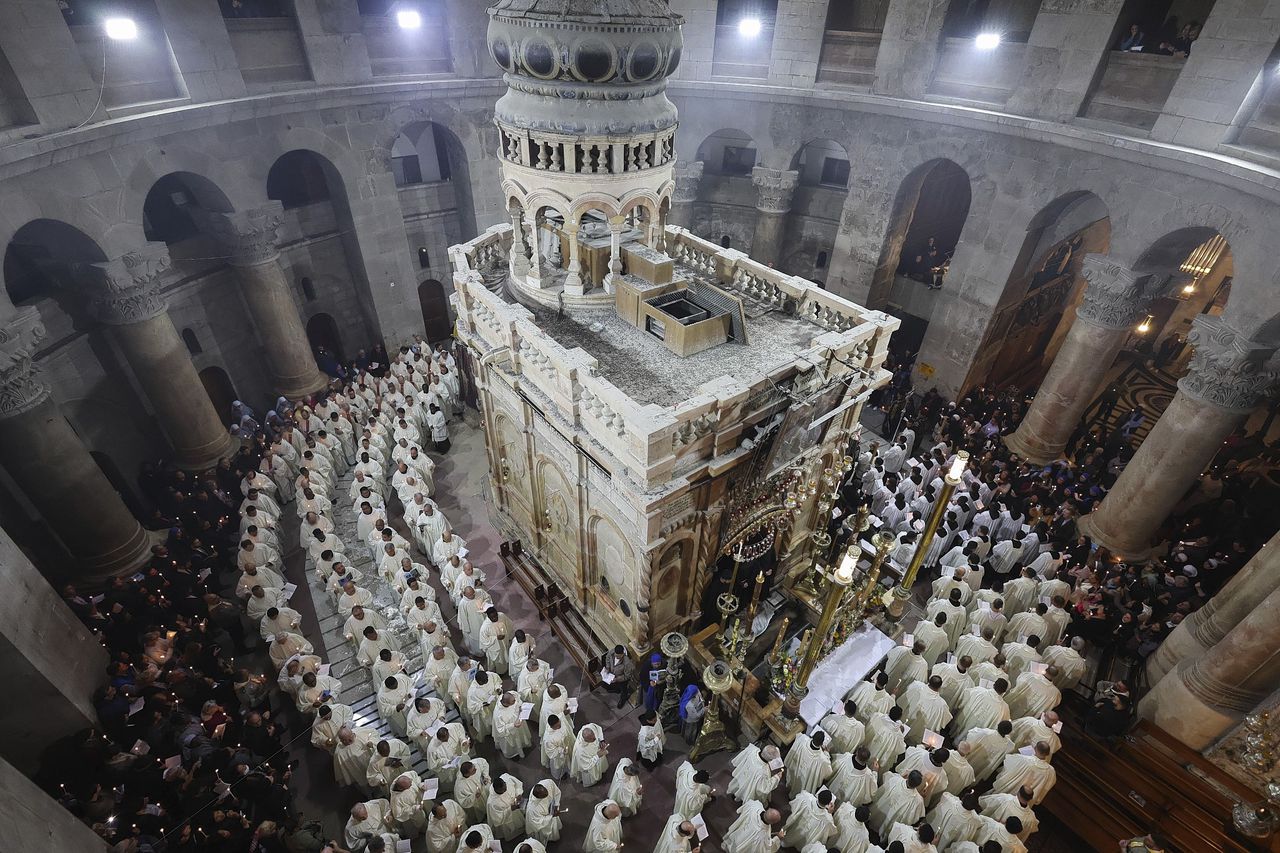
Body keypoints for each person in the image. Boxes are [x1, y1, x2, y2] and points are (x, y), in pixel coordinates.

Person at [487, 773, 526, 840]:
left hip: (516, 811)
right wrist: (510, 809)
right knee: (510, 830)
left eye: (505, 787)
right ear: (496, 790)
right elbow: (497, 818)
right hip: (507, 818)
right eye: (503, 790)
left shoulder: (507, 778)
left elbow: (517, 784)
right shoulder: (492, 802)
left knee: (519, 822)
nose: (505, 790)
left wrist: (518, 794)